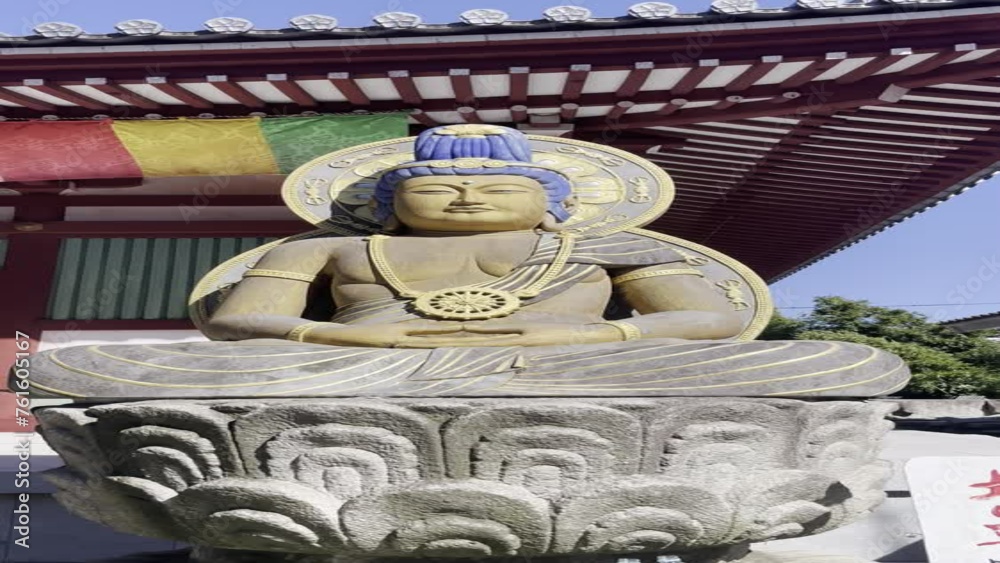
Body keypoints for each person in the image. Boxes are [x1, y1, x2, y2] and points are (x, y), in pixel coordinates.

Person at [21, 125, 909, 399]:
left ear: (557, 199)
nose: (467, 195)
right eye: (437, 186)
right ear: (386, 197)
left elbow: (708, 318)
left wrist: (581, 341)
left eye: (494, 183)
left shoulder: (609, 242)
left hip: (583, 367)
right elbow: (232, 319)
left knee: (851, 361)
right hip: (354, 369)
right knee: (84, 366)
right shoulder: (330, 242)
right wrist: (356, 342)